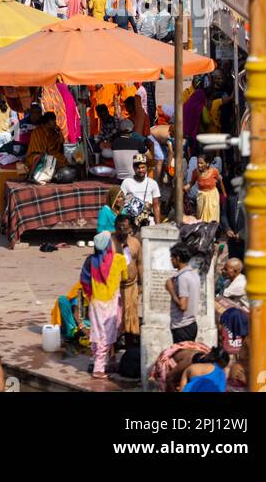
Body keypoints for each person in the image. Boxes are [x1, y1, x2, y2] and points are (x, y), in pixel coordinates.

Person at [81, 230, 127, 378]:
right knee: (106, 335)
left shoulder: (90, 261)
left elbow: (84, 282)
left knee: (96, 333)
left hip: (95, 302)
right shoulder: (119, 259)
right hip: (111, 302)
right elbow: (126, 277)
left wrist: (91, 295)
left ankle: (98, 361)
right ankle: (99, 369)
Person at [113, 213, 142, 343]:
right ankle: (113, 346)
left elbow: (140, 264)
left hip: (132, 286)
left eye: (125, 228)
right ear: (115, 227)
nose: (122, 231)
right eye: (120, 228)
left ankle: (130, 344)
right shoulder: (109, 242)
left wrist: (142, 285)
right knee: (114, 319)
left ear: (130, 228)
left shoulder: (135, 243)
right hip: (114, 288)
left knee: (131, 319)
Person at [167, 243, 201, 343]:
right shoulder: (193, 274)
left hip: (182, 326)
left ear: (177, 258)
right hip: (190, 324)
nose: (171, 261)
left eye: (171, 258)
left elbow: (183, 306)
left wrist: (171, 290)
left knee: (181, 356)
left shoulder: (183, 277)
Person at [117, 154, 161, 226]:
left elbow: (156, 205)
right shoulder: (126, 182)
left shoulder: (153, 183)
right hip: (131, 221)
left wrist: (158, 225)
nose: (141, 170)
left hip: (149, 220)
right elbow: (120, 203)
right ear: (133, 168)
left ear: (147, 167)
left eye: (143, 167)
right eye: (138, 168)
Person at [24, 109, 67, 175]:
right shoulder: (37, 131)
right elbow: (37, 149)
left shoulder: (54, 132)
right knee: (39, 159)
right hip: (37, 155)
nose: (55, 122)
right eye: (53, 120)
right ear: (48, 121)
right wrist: (45, 155)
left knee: (62, 159)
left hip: (50, 155)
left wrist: (59, 132)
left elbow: (60, 144)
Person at [190, 152, 226, 224]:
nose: (199, 165)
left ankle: (212, 233)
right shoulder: (195, 172)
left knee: (212, 218)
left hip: (213, 197)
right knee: (201, 219)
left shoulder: (214, 171)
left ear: (207, 164)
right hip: (201, 197)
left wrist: (224, 194)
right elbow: (192, 183)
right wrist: (185, 187)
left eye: (201, 163)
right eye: (198, 163)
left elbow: (220, 181)